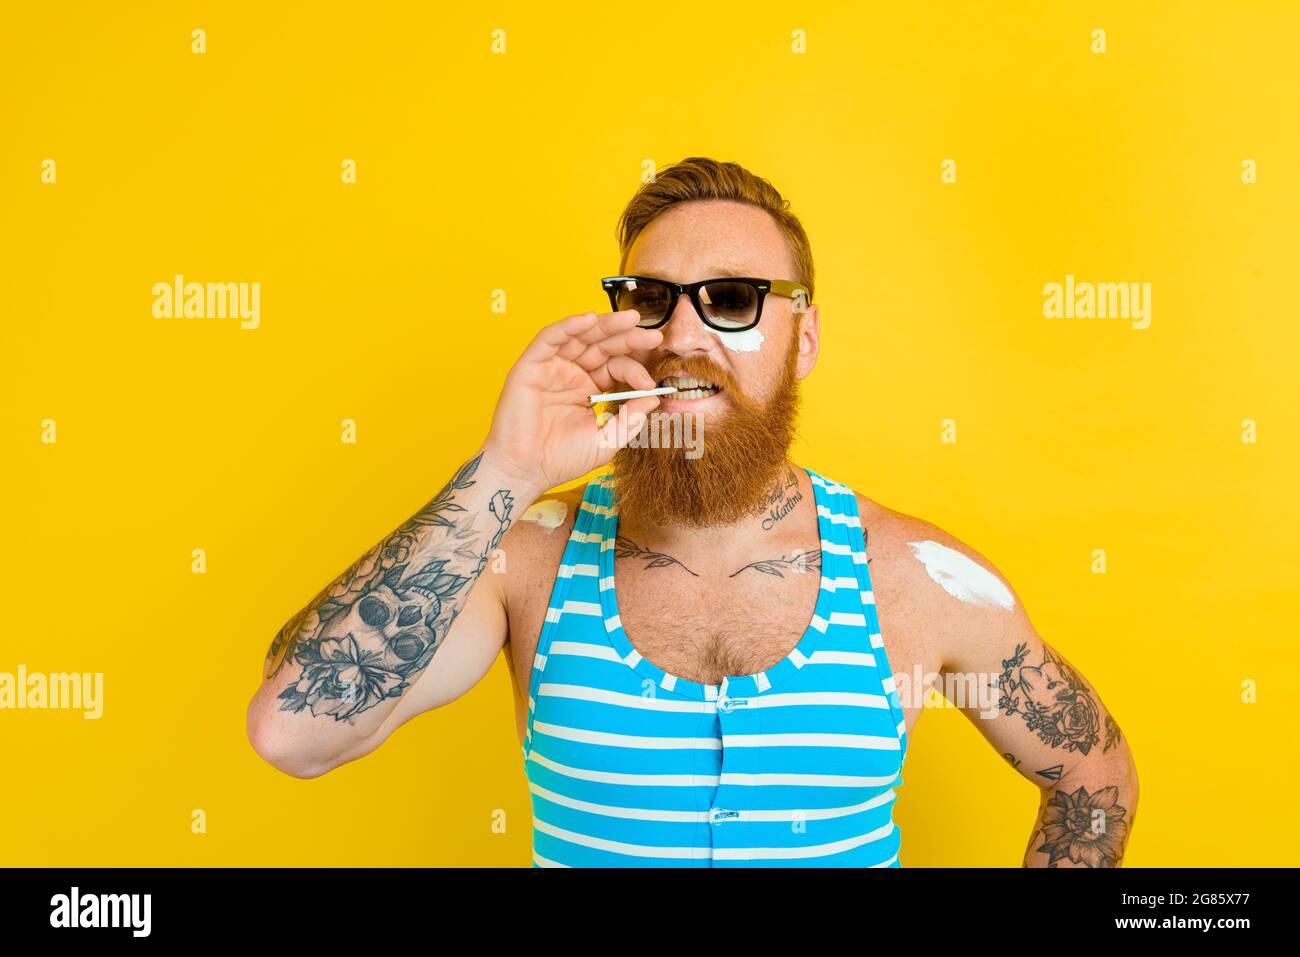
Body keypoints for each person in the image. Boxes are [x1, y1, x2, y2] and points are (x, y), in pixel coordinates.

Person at [246, 156, 1139, 868]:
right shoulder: (524, 558)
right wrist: (506, 469)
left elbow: (1093, 775)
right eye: (650, 299)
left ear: (804, 339)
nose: (681, 336)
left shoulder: (912, 575)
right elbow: (293, 730)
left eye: (733, 299)